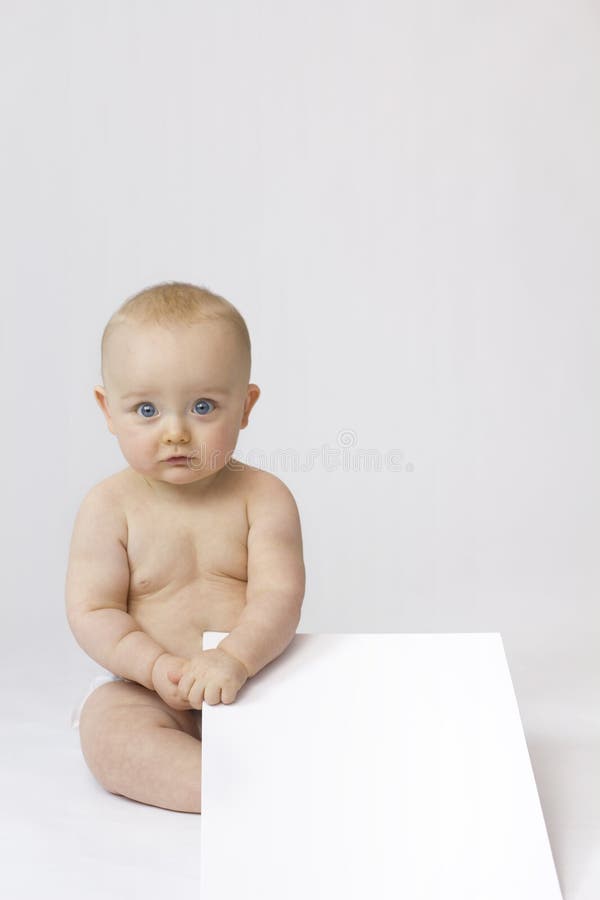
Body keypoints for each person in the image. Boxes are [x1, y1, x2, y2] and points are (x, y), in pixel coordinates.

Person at [65, 281, 306, 814]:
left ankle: (297, 775)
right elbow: (93, 609)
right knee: (109, 730)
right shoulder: (109, 507)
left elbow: (278, 596)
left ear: (245, 406)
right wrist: (153, 667)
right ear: (108, 410)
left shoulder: (263, 499)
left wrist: (235, 659)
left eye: (202, 407)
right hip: (150, 690)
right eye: (146, 410)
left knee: (320, 698)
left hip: (253, 677)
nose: (175, 432)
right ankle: (227, 791)